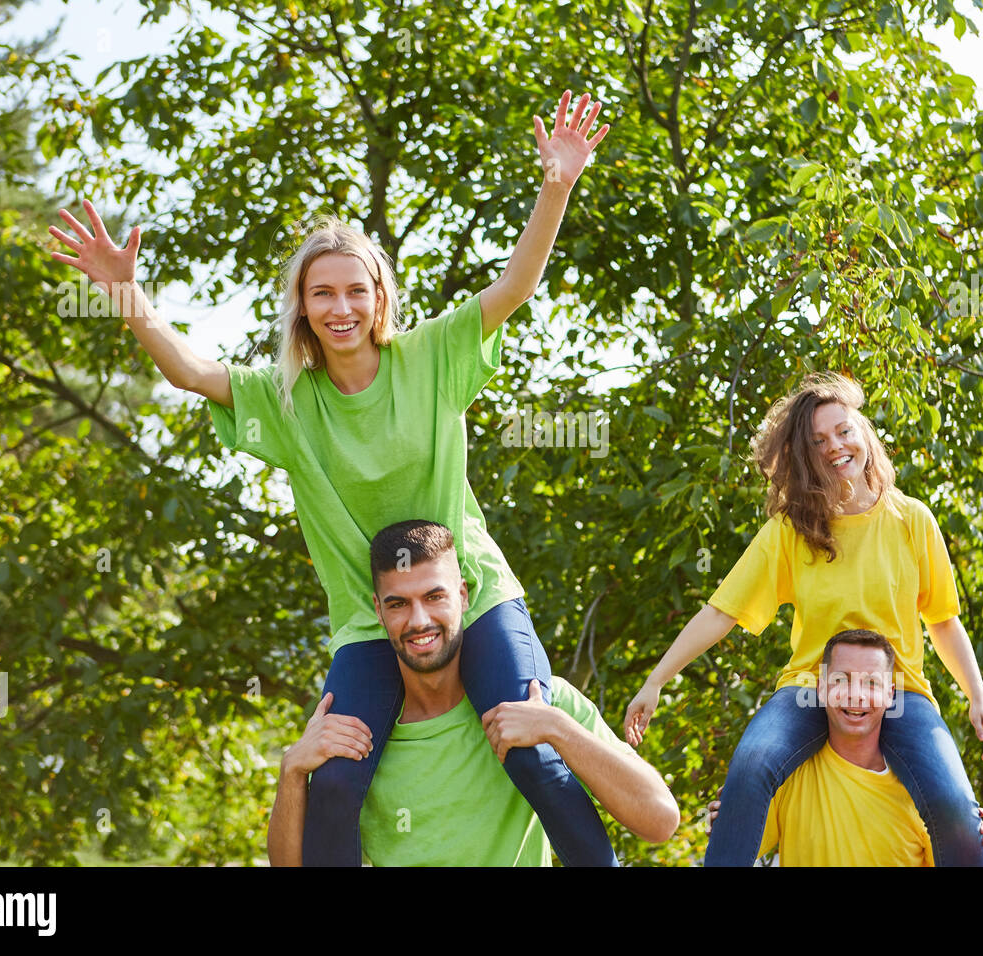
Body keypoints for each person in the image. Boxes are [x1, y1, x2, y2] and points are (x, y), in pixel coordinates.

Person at [48, 90, 617, 866]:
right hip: (364, 620)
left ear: (380, 297)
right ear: (303, 310)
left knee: (529, 751)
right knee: (339, 786)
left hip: (473, 598)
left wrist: (557, 185)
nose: (341, 306)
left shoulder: (432, 357)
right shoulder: (286, 402)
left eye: (356, 289)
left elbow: (515, 287)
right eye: (323, 293)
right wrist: (125, 291)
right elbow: (189, 371)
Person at [624, 372, 983, 866]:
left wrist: (978, 697)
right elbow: (721, 611)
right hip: (811, 688)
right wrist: (656, 680)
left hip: (900, 694)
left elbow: (944, 621)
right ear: (805, 456)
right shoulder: (792, 530)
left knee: (957, 812)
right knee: (753, 765)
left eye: (844, 430)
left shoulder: (912, 521)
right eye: (819, 441)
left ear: (863, 431)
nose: (836, 446)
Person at [267, 520, 679, 866]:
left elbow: (659, 820)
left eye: (435, 596)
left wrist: (557, 729)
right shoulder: (355, 734)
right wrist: (292, 772)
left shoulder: (535, 704)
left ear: (463, 596)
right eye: (398, 604)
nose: (419, 620)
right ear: (378, 611)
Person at [706, 630, 983, 866]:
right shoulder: (787, 776)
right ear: (820, 688)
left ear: (889, 695)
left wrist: (969, 835)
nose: (856, 696)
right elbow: (737, 841)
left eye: (871, 683)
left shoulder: (925, 793)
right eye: (841, 680)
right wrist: (727, 813)